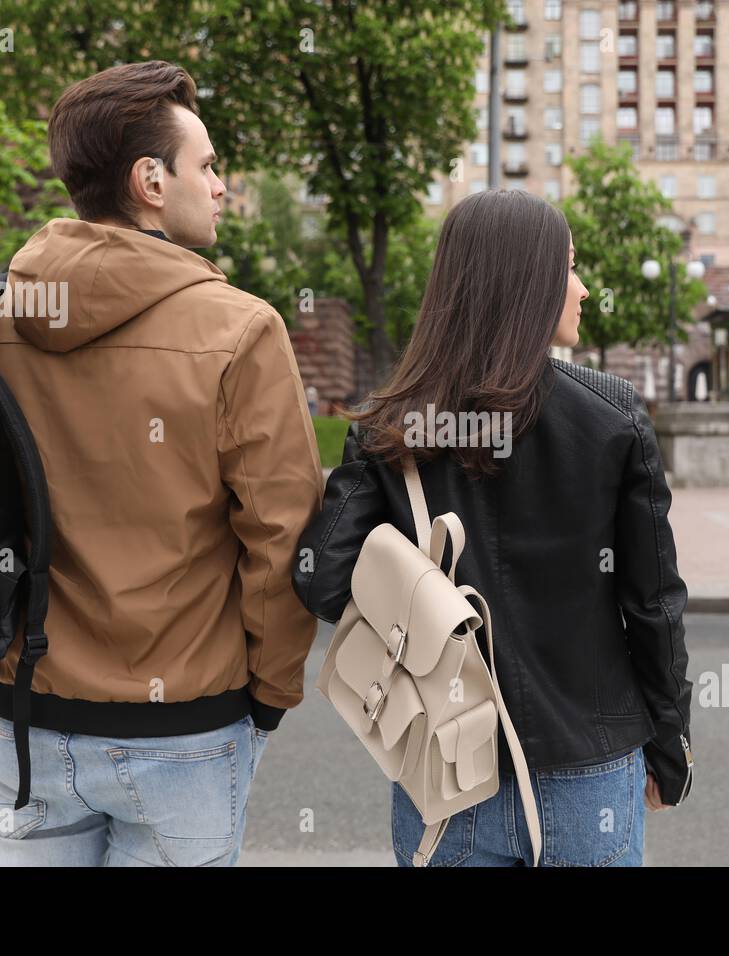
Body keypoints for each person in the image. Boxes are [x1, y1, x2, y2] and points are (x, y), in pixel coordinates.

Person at [0, 61, 324, 865]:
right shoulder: (243, 330)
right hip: (185, 733)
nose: (222, 184)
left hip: (25, 723)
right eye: (206, 165)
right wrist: (268, 698)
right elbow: (285, 540)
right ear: (150, 181)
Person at [293, 189, 693, 867]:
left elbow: (322, 578)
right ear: (530, 283)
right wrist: (670, 744)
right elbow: (653, 609)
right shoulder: (613, 417)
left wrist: (419, 598)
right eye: (568, 267)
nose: (583, 288)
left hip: (445, 771)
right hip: (589, 768)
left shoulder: (391, 426)